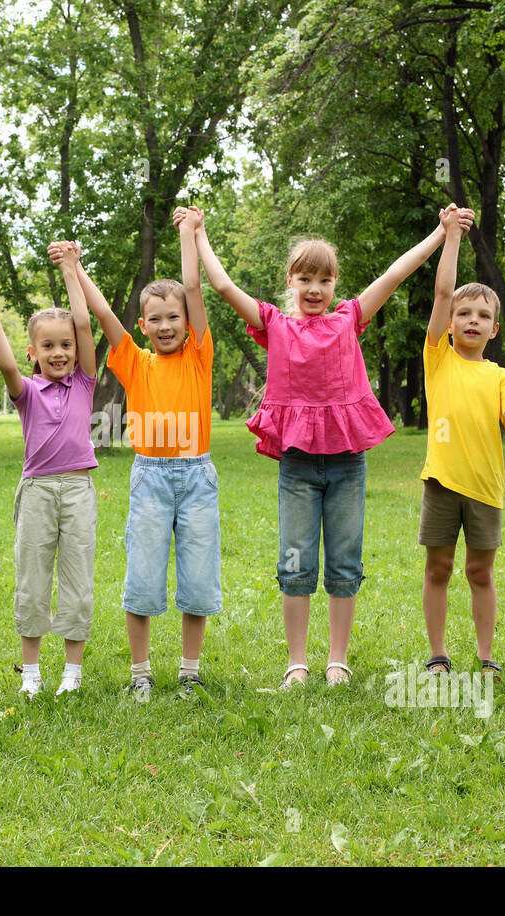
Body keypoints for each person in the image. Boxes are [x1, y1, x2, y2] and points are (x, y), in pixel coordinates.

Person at [195, 205, 471, 689]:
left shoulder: (349, 318)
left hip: (347, 464)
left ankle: (337, 661)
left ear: (335, 284)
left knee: (345, 561)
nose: (315, 289)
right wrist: (197, 234)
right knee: (295, 561)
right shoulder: (274, 324)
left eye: (324, 279)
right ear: (291, 280)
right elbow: (222, 287)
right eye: (305, 278)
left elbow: (396, 273)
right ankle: (297, 663)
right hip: (298, 466)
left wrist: (441, 233)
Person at [65, 209, 218, 701]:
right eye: (157, 318)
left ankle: (190, 672)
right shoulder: (135, 361)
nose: (168, 324)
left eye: (174, 317)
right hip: (150, 478)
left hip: (196, 477)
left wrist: (187, 233)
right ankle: (141, 672)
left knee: (197, 579)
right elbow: (105, 317)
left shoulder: (198, 355)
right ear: (145, 325)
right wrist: (75, 267)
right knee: (144, 577)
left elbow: (194, 289)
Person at [419, 204, 505, 680]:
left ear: (495, 329)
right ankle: (438, 655)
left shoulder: (499, 376)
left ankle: (485, 657)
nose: (472, 320)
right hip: (441, 483)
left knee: (480, 573)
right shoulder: (437, 359)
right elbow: (442, 290)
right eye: (463, 313)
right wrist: (451, 234)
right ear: (451, 322)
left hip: (485, 489)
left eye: (482, 315)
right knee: (438, 569)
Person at [0, 243, 98, 698]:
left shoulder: (85, 382)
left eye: (65, 344)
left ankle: (72, 671)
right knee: (32, 579)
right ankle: (31, 672)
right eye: (48, 346)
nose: (60, 352)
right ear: (34, 351)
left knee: (77, 579)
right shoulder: (26, 391)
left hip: (78, 490)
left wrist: (71, 268)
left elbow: (84, 322)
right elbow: (5, 362)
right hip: (37, 492)